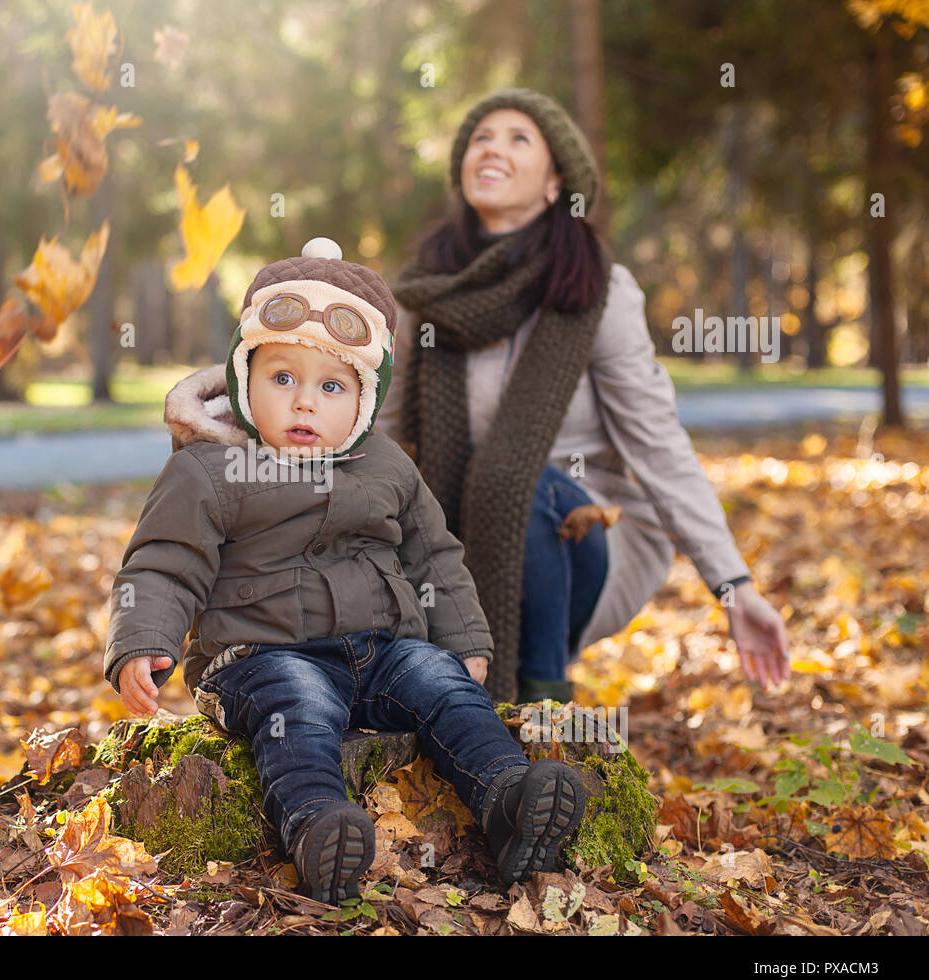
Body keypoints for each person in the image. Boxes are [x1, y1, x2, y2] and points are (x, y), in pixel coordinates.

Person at [103, 237, 586, 902]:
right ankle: (316, 827)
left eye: (331, 386)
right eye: (282, 379)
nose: (305, 403)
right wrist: (143, 639)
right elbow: (162, 563)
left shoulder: (387, 465)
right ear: (243, 381)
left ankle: (507, 797)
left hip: (378, 652)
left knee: (441, 682)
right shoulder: (209, 470)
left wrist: (465, 641)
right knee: (296, 705)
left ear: (363, 398)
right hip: (260, 656)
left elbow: (433, 555)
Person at [376, 87, 790, 703]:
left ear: (554, 184)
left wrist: (732, 583)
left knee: (522, 483)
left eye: (519, 139)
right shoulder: (424, 298)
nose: (492, 149)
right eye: (480, 139)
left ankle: (546, 714)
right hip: (459, 541)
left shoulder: (598, 291)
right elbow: (377, 430)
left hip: (593, 534)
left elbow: (658, 444)